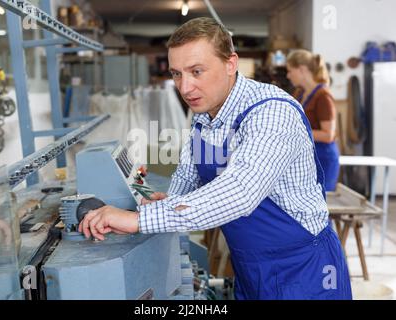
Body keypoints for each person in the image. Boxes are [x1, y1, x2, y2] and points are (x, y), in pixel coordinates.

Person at [79, 17, 352, 300]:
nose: (185, 88)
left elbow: (240, 191)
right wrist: (166, 203)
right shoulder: (204, 117)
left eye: (197, 71)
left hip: (303, 269)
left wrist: (139, 219)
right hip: (249, 267)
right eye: (176, 74)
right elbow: (188, 176)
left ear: (230, 64)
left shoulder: (271, 112)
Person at [286, 50, 340, 191]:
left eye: (290, 71)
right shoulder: (299, 93)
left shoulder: (323, 96)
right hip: (306, 157)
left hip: (323, 157)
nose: (288, 75)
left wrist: (296, 132)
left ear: (302, 69)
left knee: (321, 205)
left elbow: (328, 135)